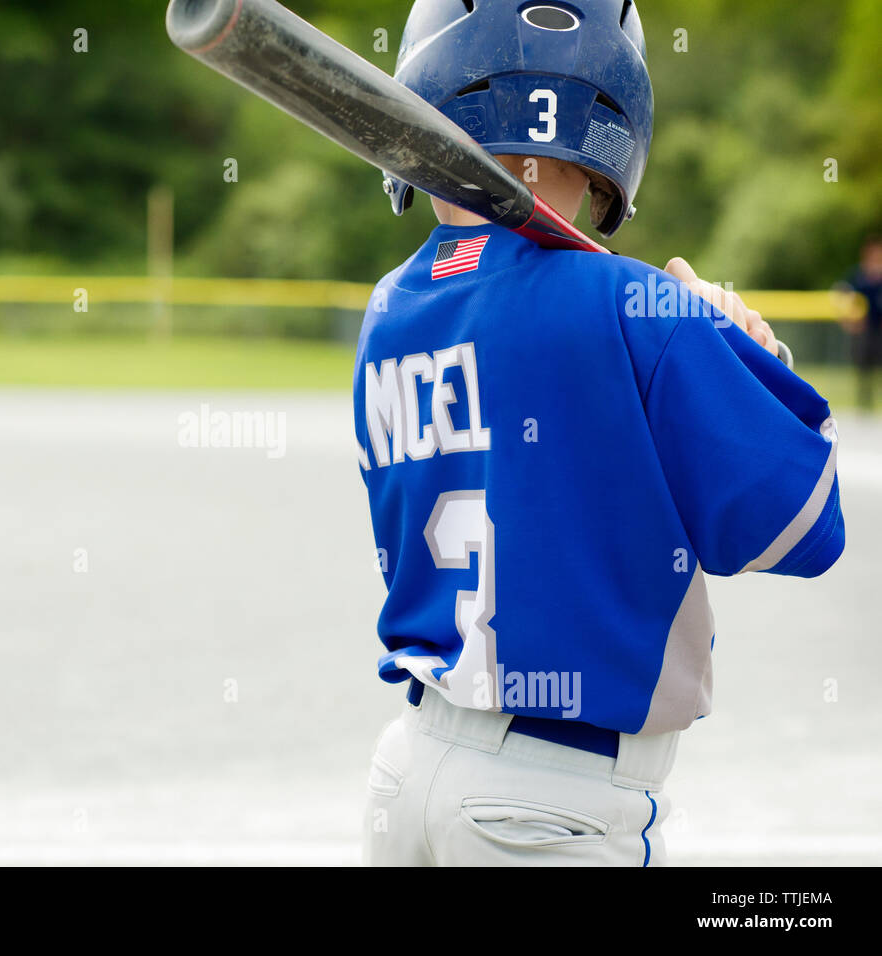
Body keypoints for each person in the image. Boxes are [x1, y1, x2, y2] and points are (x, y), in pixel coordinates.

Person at [356, 0, 845, 866]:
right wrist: (751, 356)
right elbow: (802, 529)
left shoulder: (389, 311)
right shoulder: (637, 307)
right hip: (550, 806)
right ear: (609, 125)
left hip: (409, 778)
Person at [836, 235, 882, 409]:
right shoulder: (858, 275)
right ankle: (865, 400)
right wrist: (848, 320)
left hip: (879, 327)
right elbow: (842, 293)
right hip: (865, 329)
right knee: (864, 365)